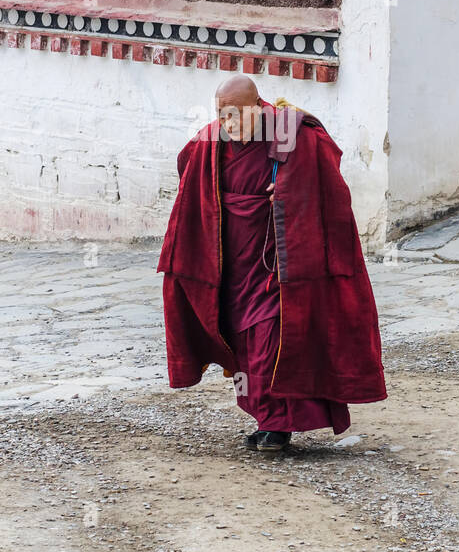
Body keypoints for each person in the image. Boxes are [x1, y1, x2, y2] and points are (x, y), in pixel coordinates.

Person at [158, 76, 386, 451]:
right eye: (222, 115)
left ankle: (278, 425)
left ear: (257, 108)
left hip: (278, 263)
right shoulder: (211, 140)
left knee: (269, 337)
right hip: (231, 263)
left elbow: (326, 174)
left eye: (237, 116)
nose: (229, 125)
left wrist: (289, 190)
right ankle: (265, 417)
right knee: (242, 341)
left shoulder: (287, 130)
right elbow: (188, 171)